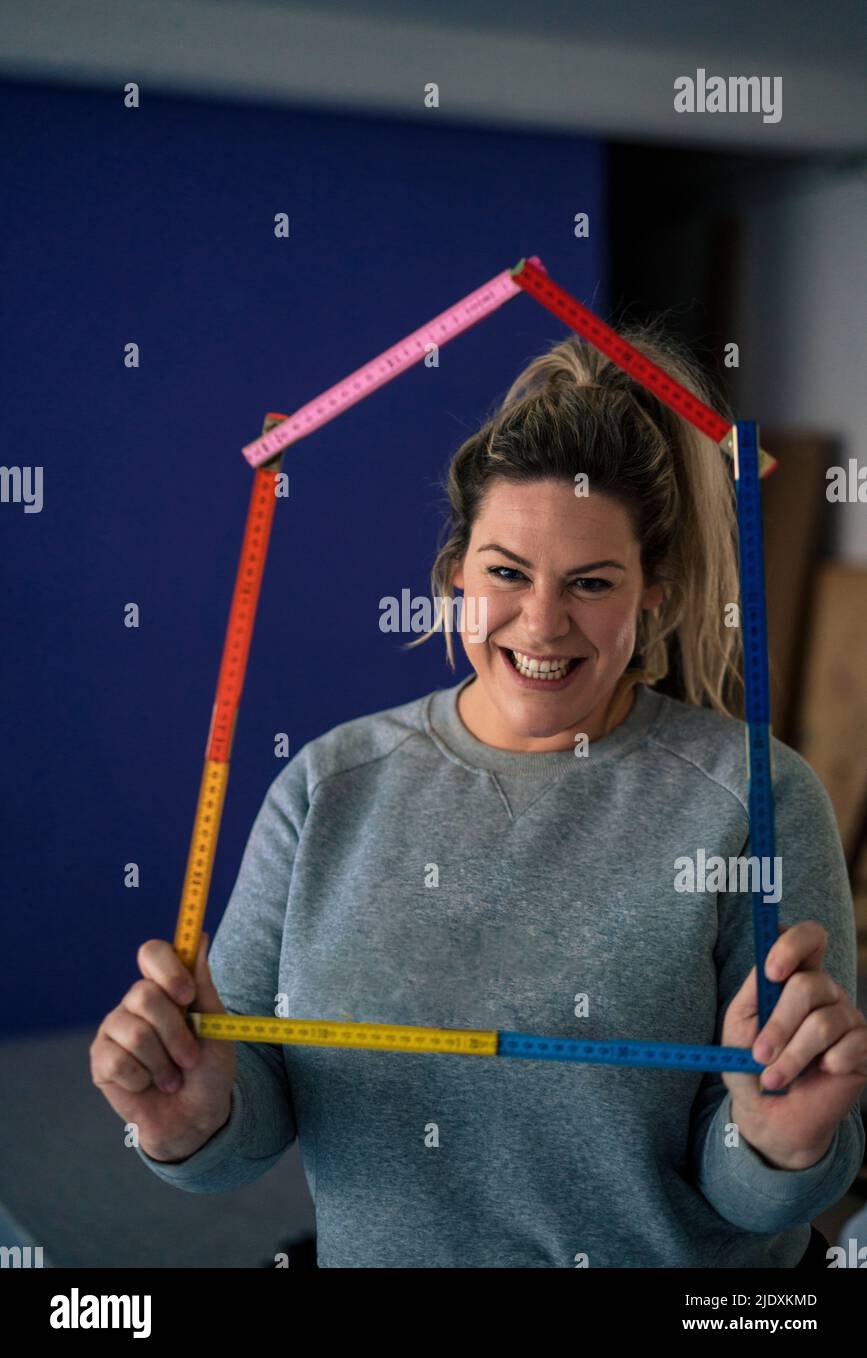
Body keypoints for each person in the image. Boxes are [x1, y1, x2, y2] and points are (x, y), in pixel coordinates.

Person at [90, 323, 867, 1268]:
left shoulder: (753, 800)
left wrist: (783, 1143)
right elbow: (244, 1121)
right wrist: (189, 1119)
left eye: (591, 582)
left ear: (653, 596)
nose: (541, 622)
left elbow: (760, 1189)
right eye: (505, 572)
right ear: (454, 571)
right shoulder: (325, 789)